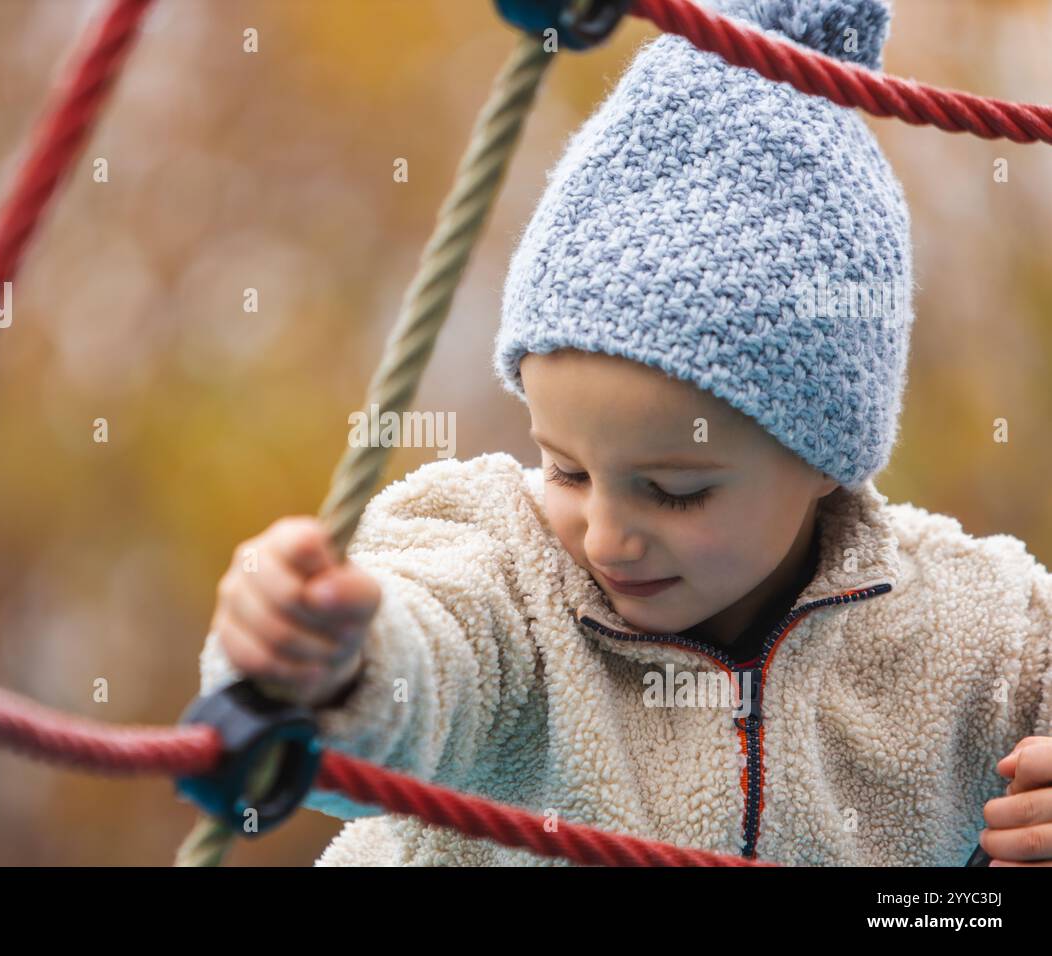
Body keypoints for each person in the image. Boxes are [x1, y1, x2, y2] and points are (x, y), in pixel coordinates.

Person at [197, 0, 1052, 865]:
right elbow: (411, 674)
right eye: (566, 471)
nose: (605, 537)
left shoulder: (987, 638)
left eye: (675, 491)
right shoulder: (500, 572)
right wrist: (327, 664)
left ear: (827, 456)